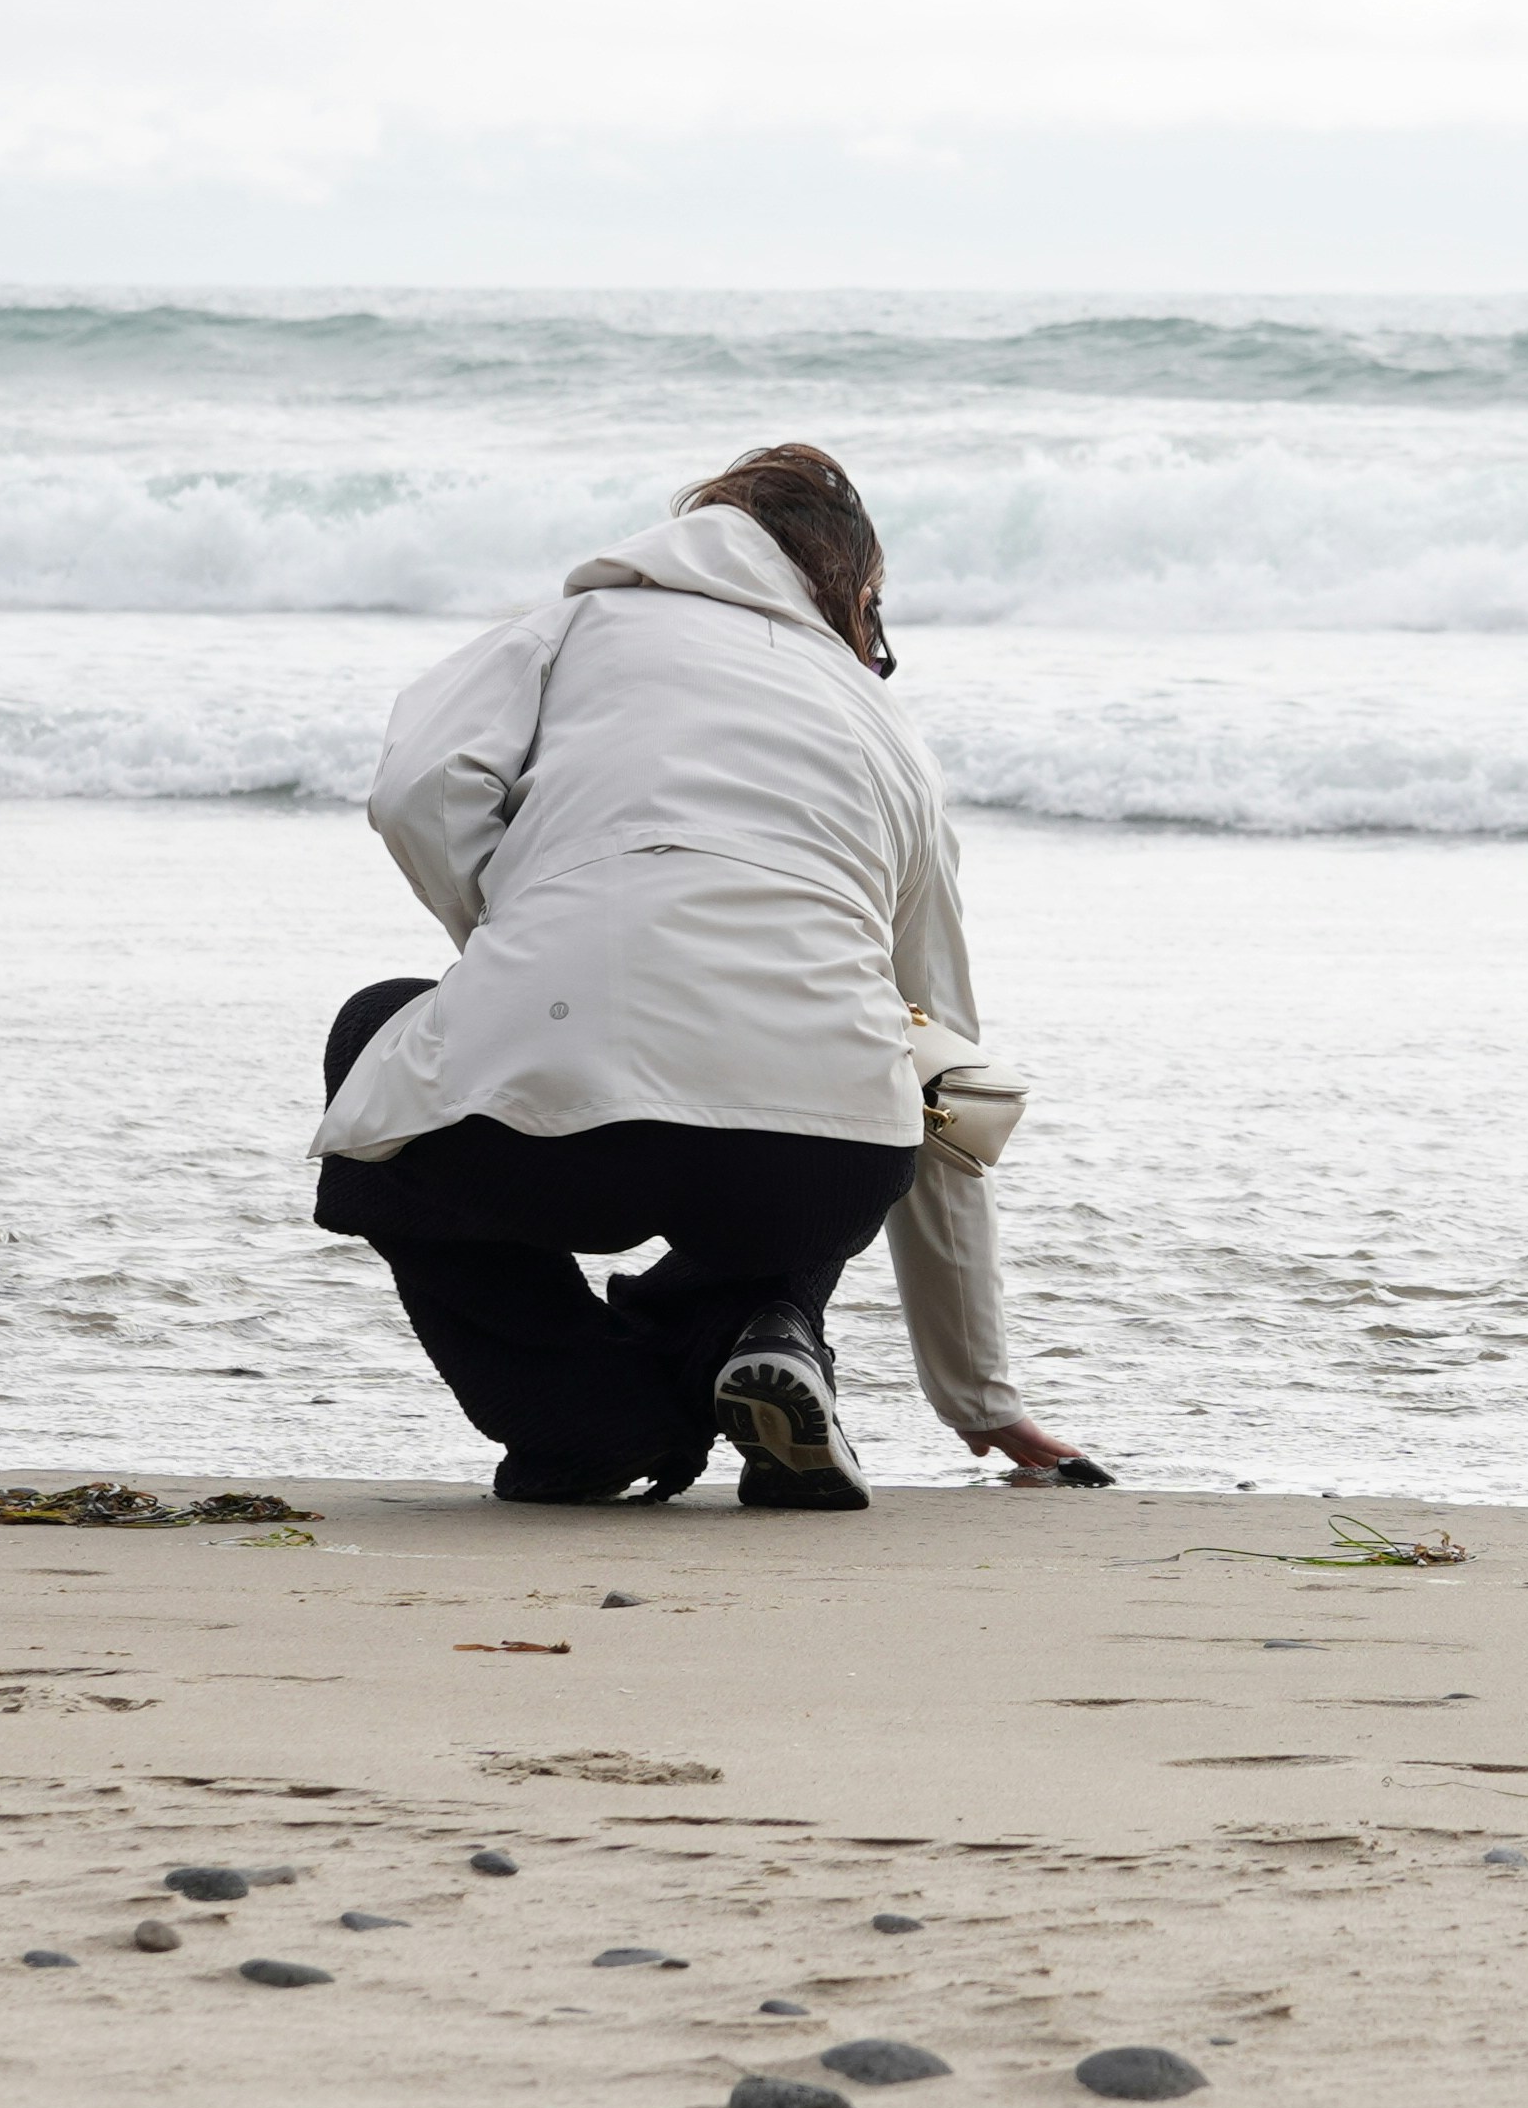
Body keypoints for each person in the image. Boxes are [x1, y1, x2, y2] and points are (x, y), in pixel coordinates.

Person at [308, 444, 1098, 1507]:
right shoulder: (889, 736)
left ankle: (592, 1418)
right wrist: (980, 1395)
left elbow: (415, 788)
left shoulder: (564, 629)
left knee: (376, 1035)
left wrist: (507, 933)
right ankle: (767, 1332)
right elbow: (951, 1086)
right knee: (865, 1044)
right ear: (855, 598)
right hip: (810, 1169)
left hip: (558, 1138)